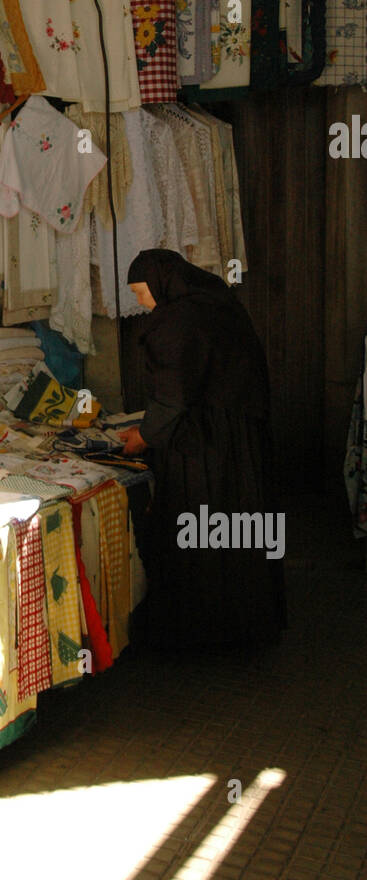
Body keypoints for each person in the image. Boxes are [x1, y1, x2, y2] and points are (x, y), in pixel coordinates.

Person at [119, 248, 285, 650]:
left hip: (206, 445)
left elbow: (175, 396)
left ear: (159, 283)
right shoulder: (213, 301)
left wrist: (143, 437)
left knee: (201, 526)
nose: (141, 303)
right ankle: (245, 623)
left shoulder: (180, 319)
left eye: (141, 292)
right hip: (238, 437)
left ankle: (203, 632)